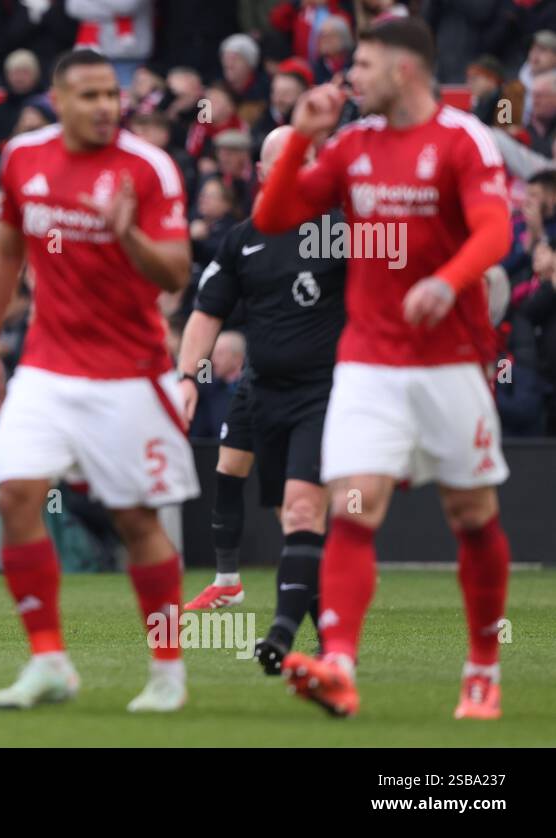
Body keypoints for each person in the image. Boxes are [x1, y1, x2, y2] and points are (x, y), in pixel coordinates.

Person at [254, 18, 514, 719]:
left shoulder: (461, 140)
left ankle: (482, 668)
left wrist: (448, 280)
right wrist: (303, 136)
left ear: (403, 70)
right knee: (356, 508)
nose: (349, 77)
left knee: (471, 516)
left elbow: (496, 230)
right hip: (367, 363)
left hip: (450, 363)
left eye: (361, 65)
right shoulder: (351, 146)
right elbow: (273, 216)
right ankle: (339, 662)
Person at [0, 49, 197, 713]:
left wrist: (128, 237)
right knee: (15, 495)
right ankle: (48, 661)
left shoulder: (147, 167)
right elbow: (6, 246)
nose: (106, 106)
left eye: (113, 94)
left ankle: (166, 672)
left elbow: (176, 274)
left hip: (129, 372)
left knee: (135, 518)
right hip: (45, 365)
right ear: (60, 98)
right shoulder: (22, 157)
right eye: (92, 95)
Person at [179, 126, 348, 676]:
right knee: (290, 515)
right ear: (263, 173)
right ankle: (329, 638)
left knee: (302, 510)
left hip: (323, 394)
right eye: (287, 163)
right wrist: (187, 377)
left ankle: (280, 635)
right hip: (263, 392)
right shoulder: (242, 239)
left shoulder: (338, 233)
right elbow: (207, 312)